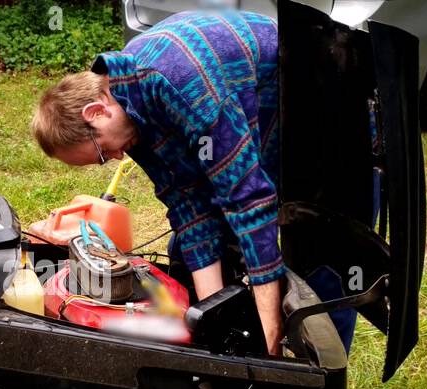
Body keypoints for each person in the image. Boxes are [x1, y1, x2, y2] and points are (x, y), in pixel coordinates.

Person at [31, 10, 285, 354]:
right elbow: (186, 205)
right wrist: (209, 320)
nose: (118, 158)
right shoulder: (129, 116)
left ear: (97, 112)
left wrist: (270, 341)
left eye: (104, 152)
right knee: (188, 251)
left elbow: (247, 199)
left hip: (314, 89)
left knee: (319, 263)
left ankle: (313, 384)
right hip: (238, 111)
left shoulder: (178, 80)